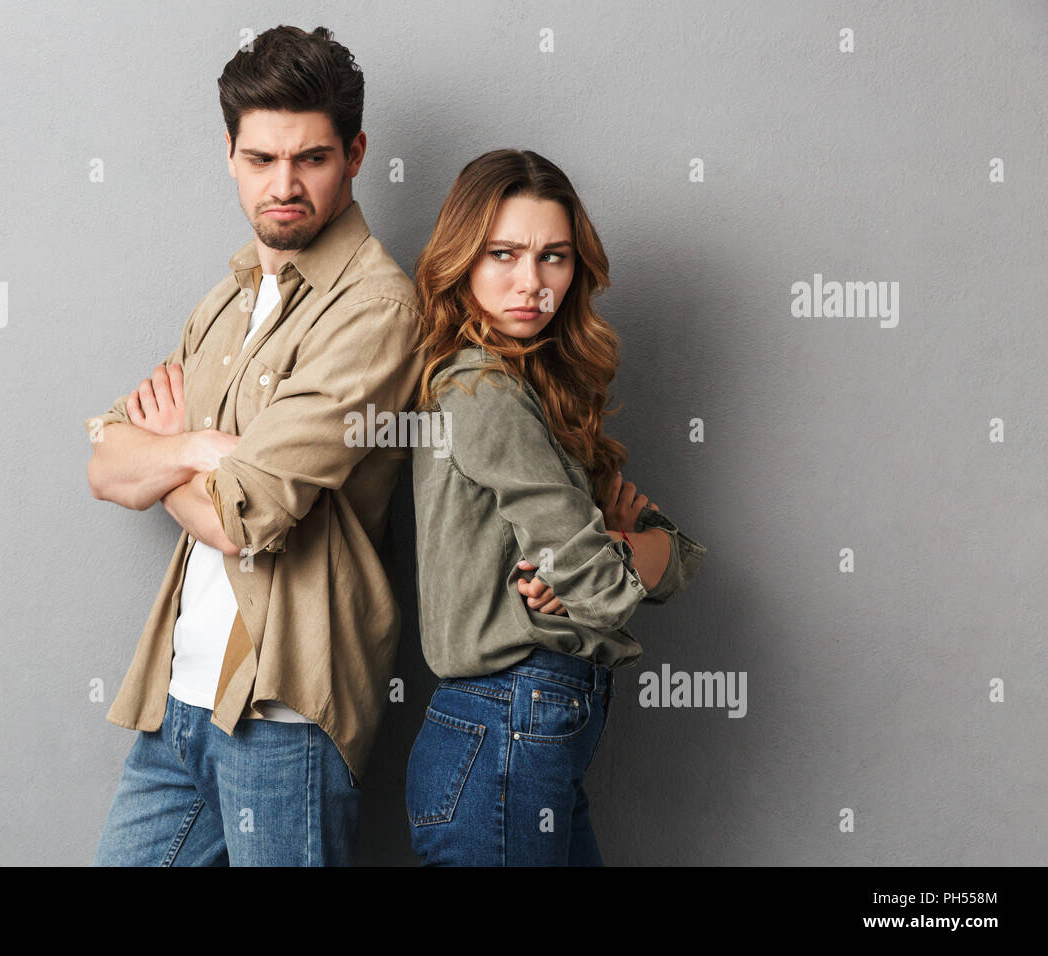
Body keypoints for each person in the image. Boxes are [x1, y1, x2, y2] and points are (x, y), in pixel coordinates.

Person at [84, 25, 422, 866]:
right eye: (262, 159)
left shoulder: (374, 308)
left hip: (284, 710)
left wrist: (161, 459)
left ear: (353, 155)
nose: (285, 184)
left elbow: (247, 519)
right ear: (230, 156)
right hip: (179, 701)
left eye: (310, 158)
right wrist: (197, 446)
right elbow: (103, 463)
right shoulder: (230, 298)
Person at [405, 148, 707, 865]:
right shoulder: (483, 392)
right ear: (462, 260)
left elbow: (676, 560)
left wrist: (618, 552)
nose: (530, 282)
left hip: (527, 730)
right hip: (506, 723)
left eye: (554, 257)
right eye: (503, 254)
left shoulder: (540, 393)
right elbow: (605, 589)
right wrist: (614, 555)